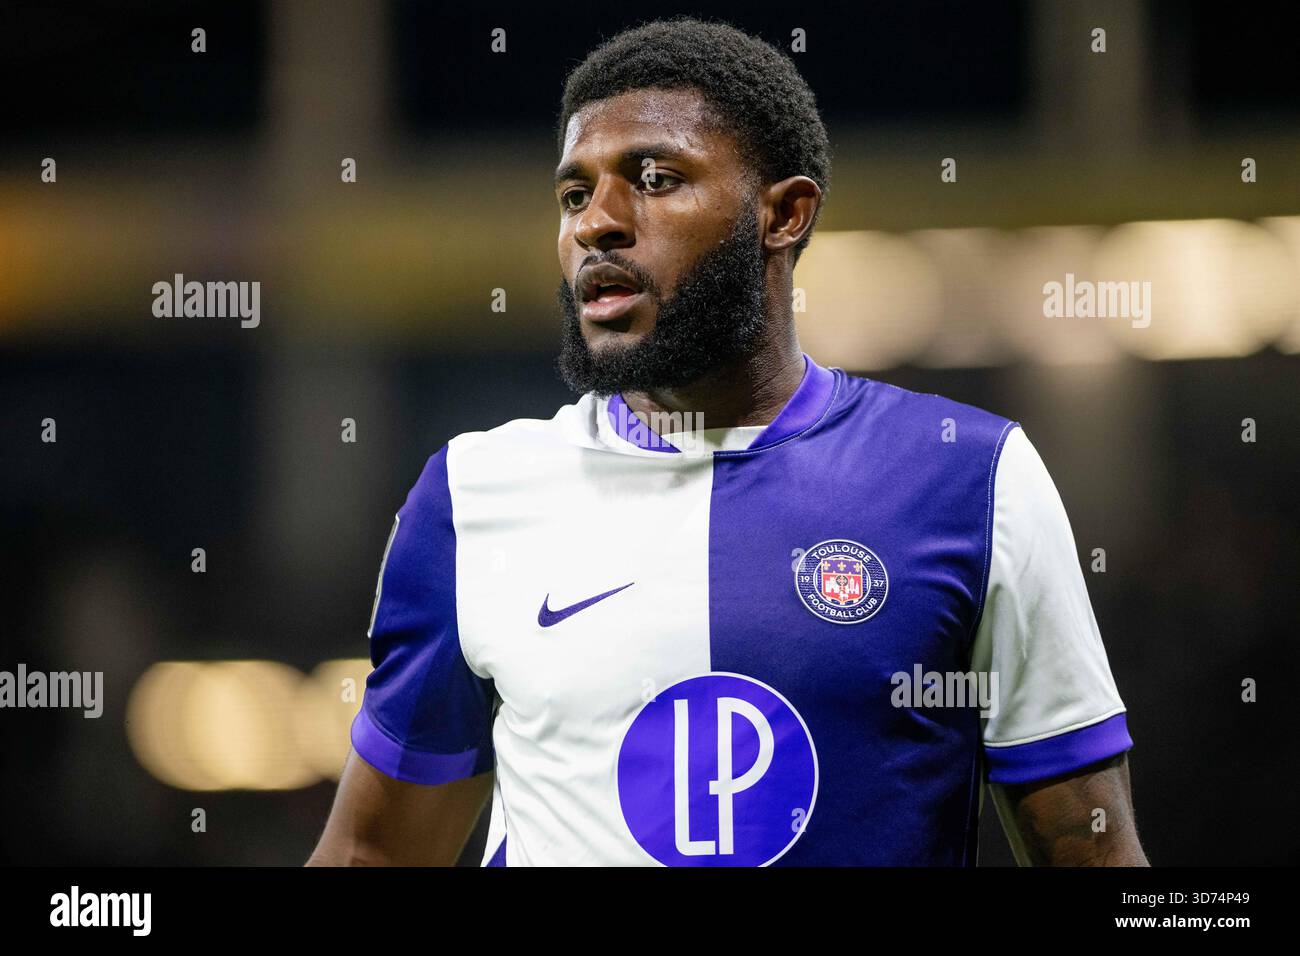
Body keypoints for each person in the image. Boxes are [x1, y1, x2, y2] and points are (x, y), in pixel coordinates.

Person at [308, 17, 1147, 867]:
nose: (597, 222)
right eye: (573, 195)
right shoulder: (474, 494)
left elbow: (1094, 854)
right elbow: (372, 853)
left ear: (783, 214)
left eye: (656, 178)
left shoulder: (973, 478)